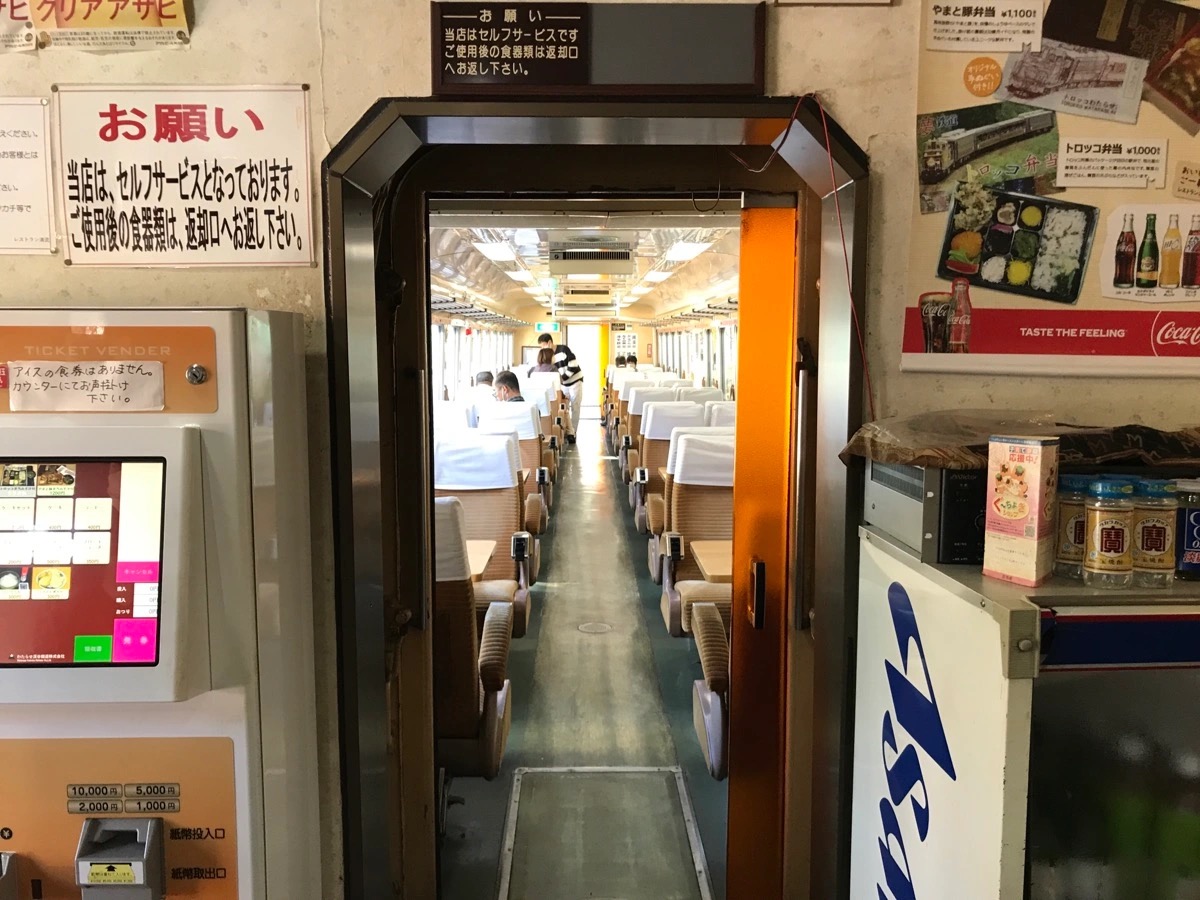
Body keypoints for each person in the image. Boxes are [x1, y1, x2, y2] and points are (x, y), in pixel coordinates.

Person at [538, 331, 583, 443]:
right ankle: (568, 432)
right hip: (562, 384)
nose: (542, 348)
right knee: (564, 408)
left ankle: (574, 432)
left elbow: (573, 365)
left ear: (549, 342)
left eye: (543, 345)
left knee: (575, 407)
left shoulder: (563, 350)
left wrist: (563, 378)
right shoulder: (547, 356)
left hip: (575, 381)